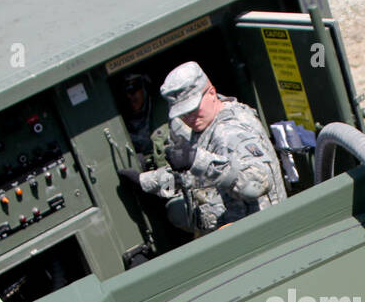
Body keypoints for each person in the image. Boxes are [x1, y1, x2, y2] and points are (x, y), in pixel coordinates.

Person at [120, 62, 285, 233]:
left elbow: (256, 183)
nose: (190, 117)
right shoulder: (205, 127)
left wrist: (195, 159)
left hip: (261, 236)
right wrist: (144, 181)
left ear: (212, 92)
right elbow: (192, 177)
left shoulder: (230, 130)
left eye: (193, 108)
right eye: (183, 114)